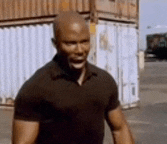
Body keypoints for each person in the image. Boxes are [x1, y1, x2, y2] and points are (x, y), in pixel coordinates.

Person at [12, 11, 135, 144]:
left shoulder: (104, 82)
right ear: (55, 44)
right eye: (70, 43)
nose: (80, 50)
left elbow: (120, 129)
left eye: (85, 42)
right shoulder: (36, 88)